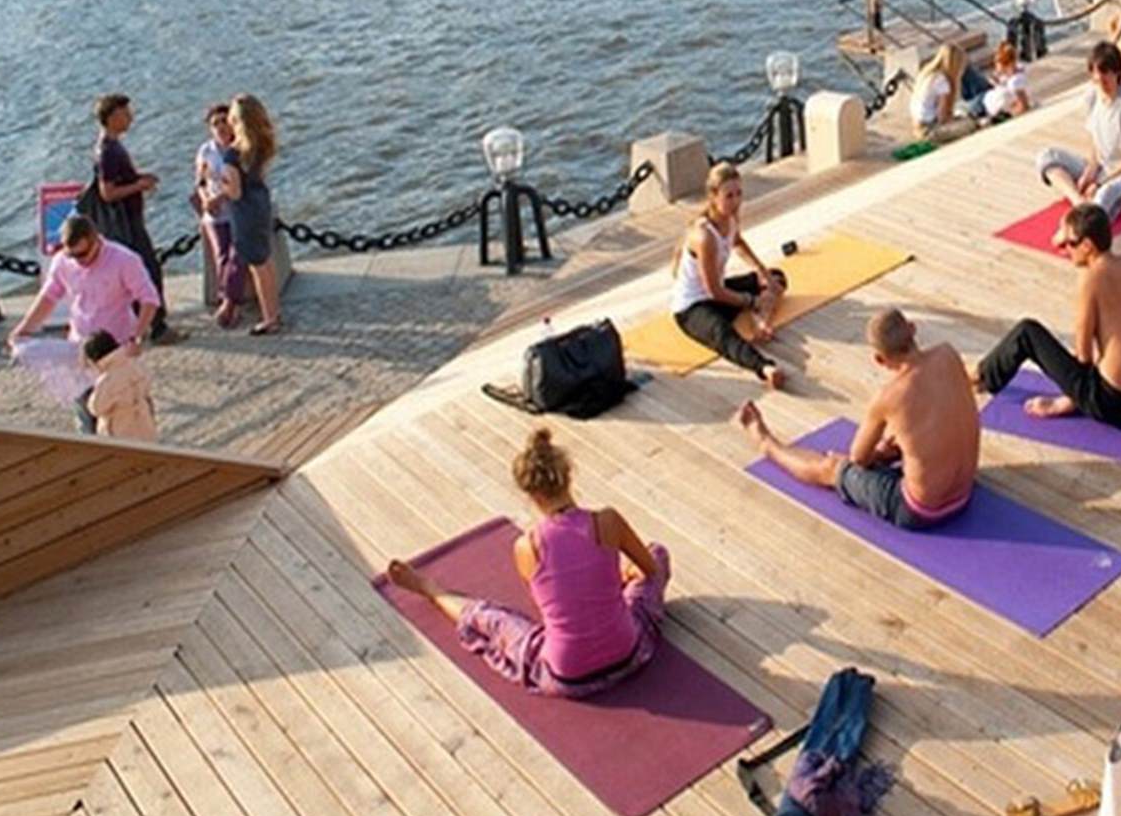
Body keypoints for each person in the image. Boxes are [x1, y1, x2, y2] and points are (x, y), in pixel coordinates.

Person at [386, 427, 670, 697]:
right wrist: (626, 573)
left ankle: (430, 589)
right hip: (629, 655)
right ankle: (620, 581)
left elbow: (556, 605)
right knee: (657, 552)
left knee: (488, 617)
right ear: (568, 475)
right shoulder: (607, 520)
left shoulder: (527, 547)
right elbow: (650, 569)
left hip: (568, 677)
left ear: (531, 494)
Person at [743, 307, 979, 526]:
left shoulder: (889, 397)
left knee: (834, 467)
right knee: (904, 437)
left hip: (922, 512)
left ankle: (767, 444)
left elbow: (858, 459)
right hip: (965, 493)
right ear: (913, 328)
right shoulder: (948, 354)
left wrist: (877, 454)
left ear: (879, 359)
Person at [980, 204, 1121, 421]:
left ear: (1087, 245)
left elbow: (1083, 358)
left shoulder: (1091, 278)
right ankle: (981, 375)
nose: (1064, 250)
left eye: (1070, 244)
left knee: (1027, 333)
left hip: (1112, 404)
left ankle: (979, 377)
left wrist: (1062, 403)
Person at [9, 215, 159, 432]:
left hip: (116, 349)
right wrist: (23, 329)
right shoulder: (63, 261)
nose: (79, 261)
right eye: (73, 255)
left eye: (83, 254)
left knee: (131, 410)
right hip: (81, 347)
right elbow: (49, 297)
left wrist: (137, 336)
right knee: (86, 413)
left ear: (96, 239)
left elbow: (149, 299)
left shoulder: (124, 260)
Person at [670, 162, 788, 387]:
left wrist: (765, 276)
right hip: (693, 307)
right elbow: (712, 291)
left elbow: (738, 242)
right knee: (724, 334)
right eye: (729, 196)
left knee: (778, 278)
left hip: (718, 292)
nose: (736, 202)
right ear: (713, 196)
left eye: (739, 194)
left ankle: (761, 320)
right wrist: (752, 301)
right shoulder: (704, 236)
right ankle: (765, 367)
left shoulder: (731, 219)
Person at [1032, 41, 1121, 247]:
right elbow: (1095, 141)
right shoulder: (1092, 97)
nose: (1100, 80)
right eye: (1096, 75)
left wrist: (1101, 182)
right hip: (1103, 166)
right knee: (1047, 157)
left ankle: (1077, 229)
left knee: (1105, 195)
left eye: (1105, 74)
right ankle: (1078, 203)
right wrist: (1089, 172)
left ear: (1117, 73)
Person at [92, 94, 176, 343]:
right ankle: (156, 326)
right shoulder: (107, 150)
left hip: (129, 219)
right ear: (112, 117)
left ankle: (147, 324)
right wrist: (139, 185)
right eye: (125, 113)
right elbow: (107, 192)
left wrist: (139, 179)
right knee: (147, 271)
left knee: (142, 271)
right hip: (126, 224)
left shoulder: (112, 146)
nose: (131, 118)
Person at [218, 94, 284, 336]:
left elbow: (233, 192)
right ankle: (274, 311)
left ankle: (269, 319)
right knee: (266, 262)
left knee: (257, 266)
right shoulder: (259, 146)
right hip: (260, 203)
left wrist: (220, 182)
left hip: (244, 210)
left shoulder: (232, 154)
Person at [193, 103, 245, 329]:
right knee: (222, 255)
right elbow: (201, 181)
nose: (221, 127)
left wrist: (220, 198)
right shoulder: (206, 151)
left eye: (224, 121)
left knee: (237, 254)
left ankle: (228, 302)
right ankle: (230, 301)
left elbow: (241, 183)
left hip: (237, 208)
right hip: (214, 212)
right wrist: (206, 199)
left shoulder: (240, 149)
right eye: (216, 124)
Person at [82, 329, 158, 442]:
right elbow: (147, 386)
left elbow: (96, 408)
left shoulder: (107, 380)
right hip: (144, 423)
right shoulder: (133, 364)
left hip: (119, 432)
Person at [911, 42, 965, 139]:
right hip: (929, 127)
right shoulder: (942, 82)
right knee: (969, 123)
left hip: (917, 122)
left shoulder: (927, 74)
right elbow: (942, 116)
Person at [979, 39, 1032, 121]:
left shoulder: (1015, 82)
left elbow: (1023, 105)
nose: (996, 69)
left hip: (1000, 109)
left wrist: (1010, 115)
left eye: (998, 65)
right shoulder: (1013, 75)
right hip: (995, 105)